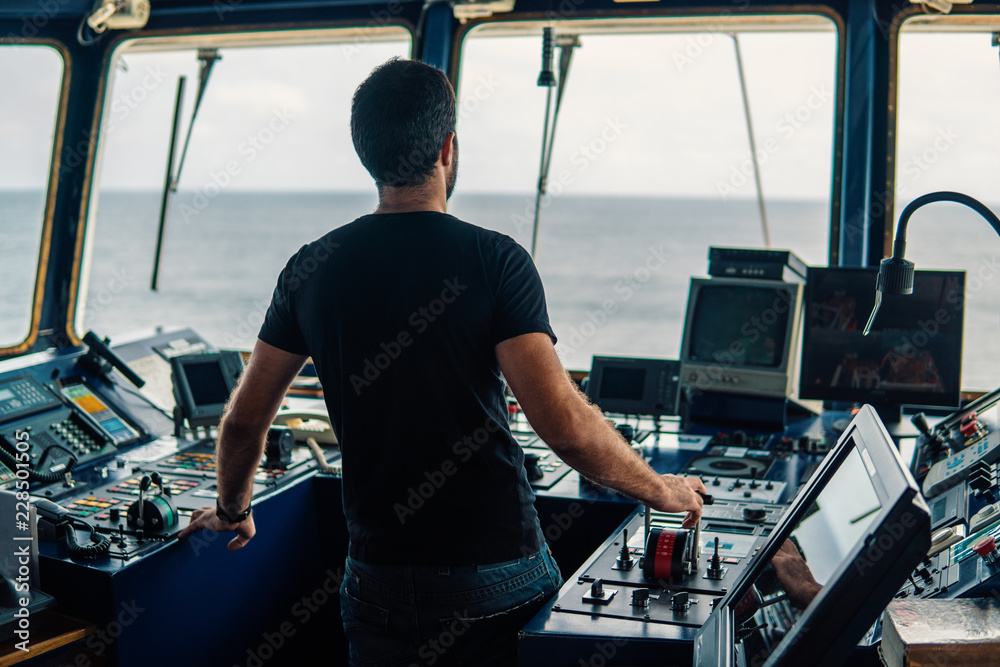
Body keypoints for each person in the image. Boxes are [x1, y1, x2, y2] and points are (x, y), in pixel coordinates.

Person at [179, 57, 706, 665]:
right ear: (447, 148)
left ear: (368, 156)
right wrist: (660, 490)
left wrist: (233, 510)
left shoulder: (309, 268)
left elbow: (243, 423)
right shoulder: (495, 260)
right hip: (494, 573)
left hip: (376, 577)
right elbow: (562, 422)